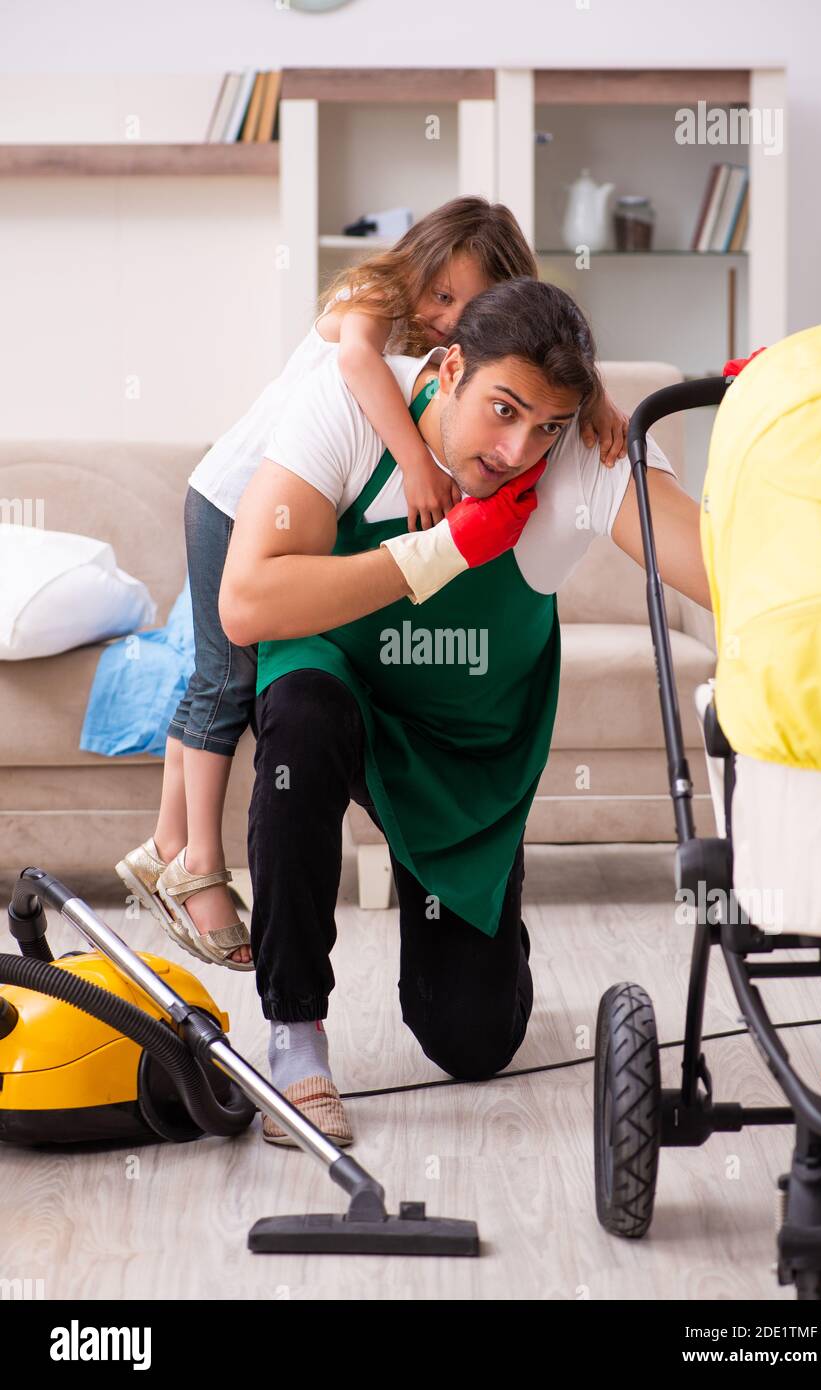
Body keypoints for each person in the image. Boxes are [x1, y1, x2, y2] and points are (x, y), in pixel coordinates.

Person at [218, 277, 712, 1146]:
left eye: (546, 424)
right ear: (448, 368)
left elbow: (719, 567)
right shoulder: (342, 405)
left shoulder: (579, 451)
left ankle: (485, 951)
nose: (519, 448)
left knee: (474, 1043)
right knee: (298, 713)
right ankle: (295, 1039)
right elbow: (248, 601)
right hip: (340, 689)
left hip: (461, 745)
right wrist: (437, 552)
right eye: (502, 409)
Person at [114, 198, 628, 970]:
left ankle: (164, 848)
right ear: (414, 268)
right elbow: (355, 366)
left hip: (278, 500)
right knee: (227, 680)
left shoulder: (456, 355)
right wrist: (418, 465)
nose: (451, 319)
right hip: (234, 494)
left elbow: (544, 365)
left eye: (473, 305)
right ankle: (192, 864)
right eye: (443, 298)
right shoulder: (371, 299)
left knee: (226, 676)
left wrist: (595, 396)